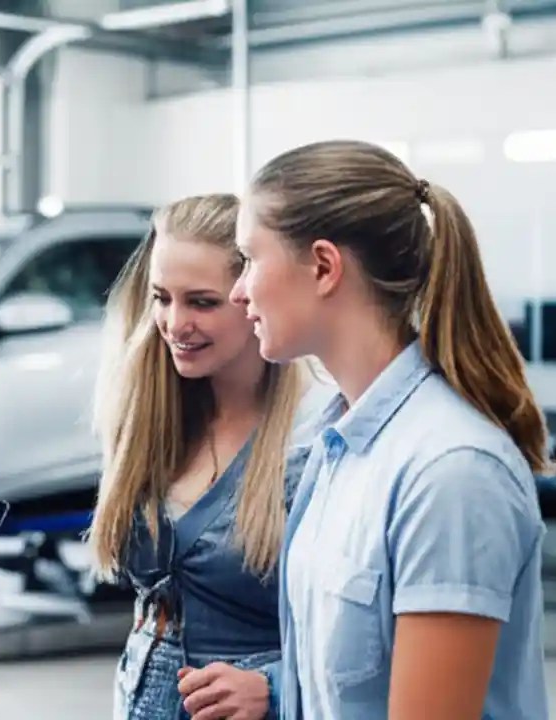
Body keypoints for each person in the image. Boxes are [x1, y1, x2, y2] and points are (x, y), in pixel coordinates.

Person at [229, 139, 551, 720]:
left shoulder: (451, 472)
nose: (238, 291)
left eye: (250, 259)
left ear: (324, 266)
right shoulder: (339, 447)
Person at [87, 194, 327, 720]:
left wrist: (277, 687)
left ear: (252, 294)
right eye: (161, 298)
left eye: (201, 302)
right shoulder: (153, 412)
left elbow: (366, 638)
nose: (174, 324)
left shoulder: (315, 439)